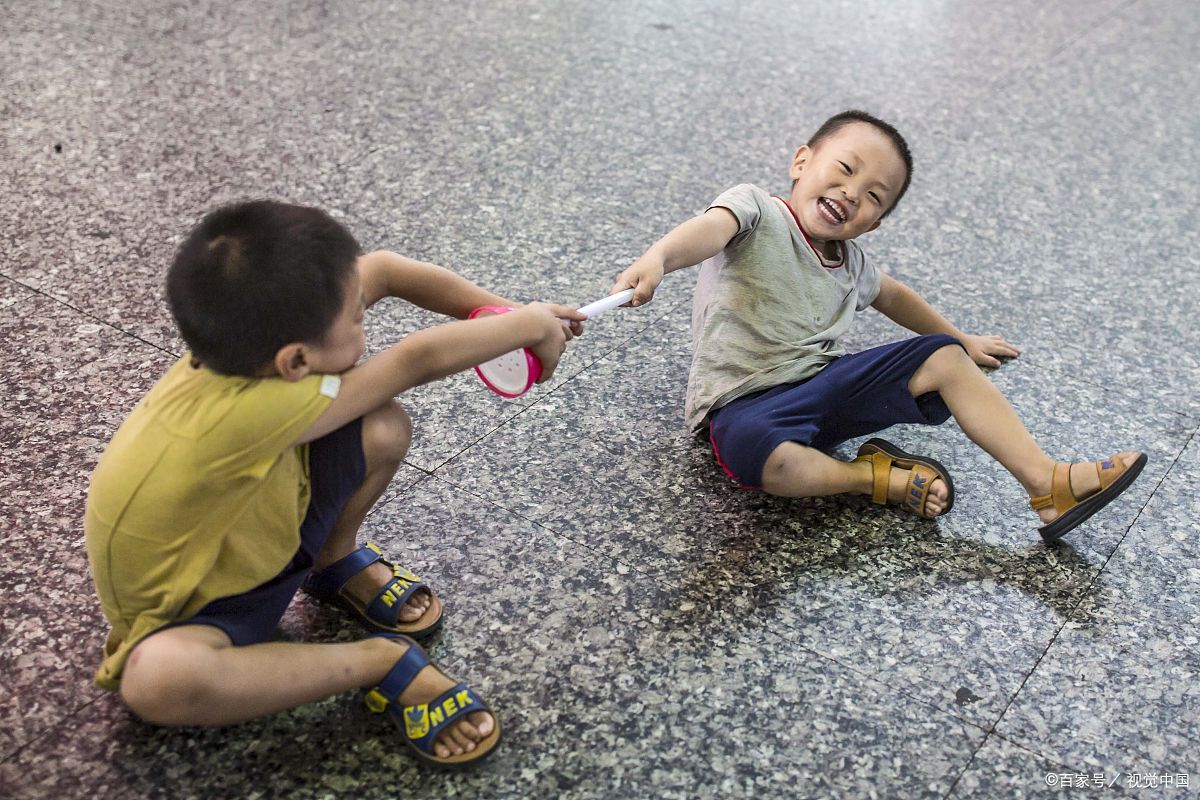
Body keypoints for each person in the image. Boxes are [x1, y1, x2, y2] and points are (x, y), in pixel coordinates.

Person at [85, 200, 586, 767]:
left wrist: (506, 315)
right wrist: (526, 325)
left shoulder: (242, 342)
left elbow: (386, 270)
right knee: (157, 682)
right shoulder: (247, 412)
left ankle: (331, 559)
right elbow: (414, 360)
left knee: (380, 426)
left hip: (257, 533)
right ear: (296, 361)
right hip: (199, 614)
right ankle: (381, 662)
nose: (362, 319)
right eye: (357, 319)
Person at [610, 110, 1145, 542]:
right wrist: (660, 258)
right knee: (753, 452)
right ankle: (870, 478)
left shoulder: (853, 263)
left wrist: (959, 340)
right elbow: (708, 230)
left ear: (877, 221)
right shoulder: (755, 209)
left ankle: (1047, 483)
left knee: (942, 357)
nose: (851, 193)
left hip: (823, 387)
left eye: (873, 196)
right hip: (744, 403)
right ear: (802, 161)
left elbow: (894, 295)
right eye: (843, 170)